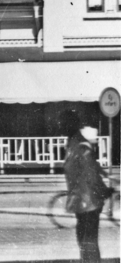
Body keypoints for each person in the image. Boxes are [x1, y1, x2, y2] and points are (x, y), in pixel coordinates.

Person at [62, 109, 109, 263]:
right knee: (84, 243)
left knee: (88, 244)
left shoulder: (80, 146)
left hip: (88, 203)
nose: (61, 127)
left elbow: (91, 174)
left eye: (64, 124)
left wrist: (103, 190)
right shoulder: (72, 145)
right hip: (82, 203)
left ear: (72, 125)